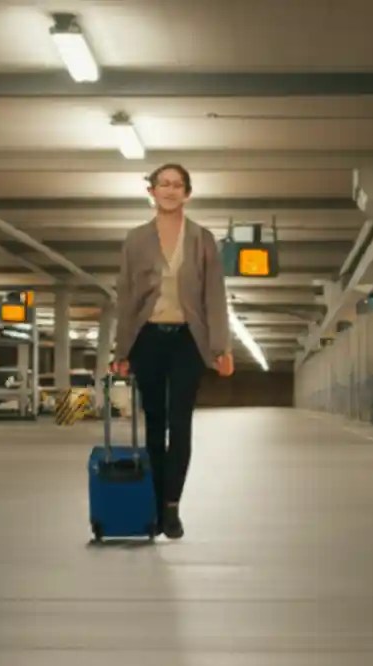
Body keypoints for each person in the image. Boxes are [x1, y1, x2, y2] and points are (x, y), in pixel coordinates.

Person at [111, 163, 234, 539]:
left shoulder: (202, 239)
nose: (169, 190)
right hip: (147, 338)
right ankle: (152, 500)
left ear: (187, 193)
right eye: (162, 184)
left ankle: (171, 507)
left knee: (180, 425)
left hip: (187, 341)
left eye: (176, 185)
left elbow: (214, 295)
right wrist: (122, 349)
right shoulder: (135, 240)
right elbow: (127, 296)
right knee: (154, 423)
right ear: (151, 191)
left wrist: (220, 346)